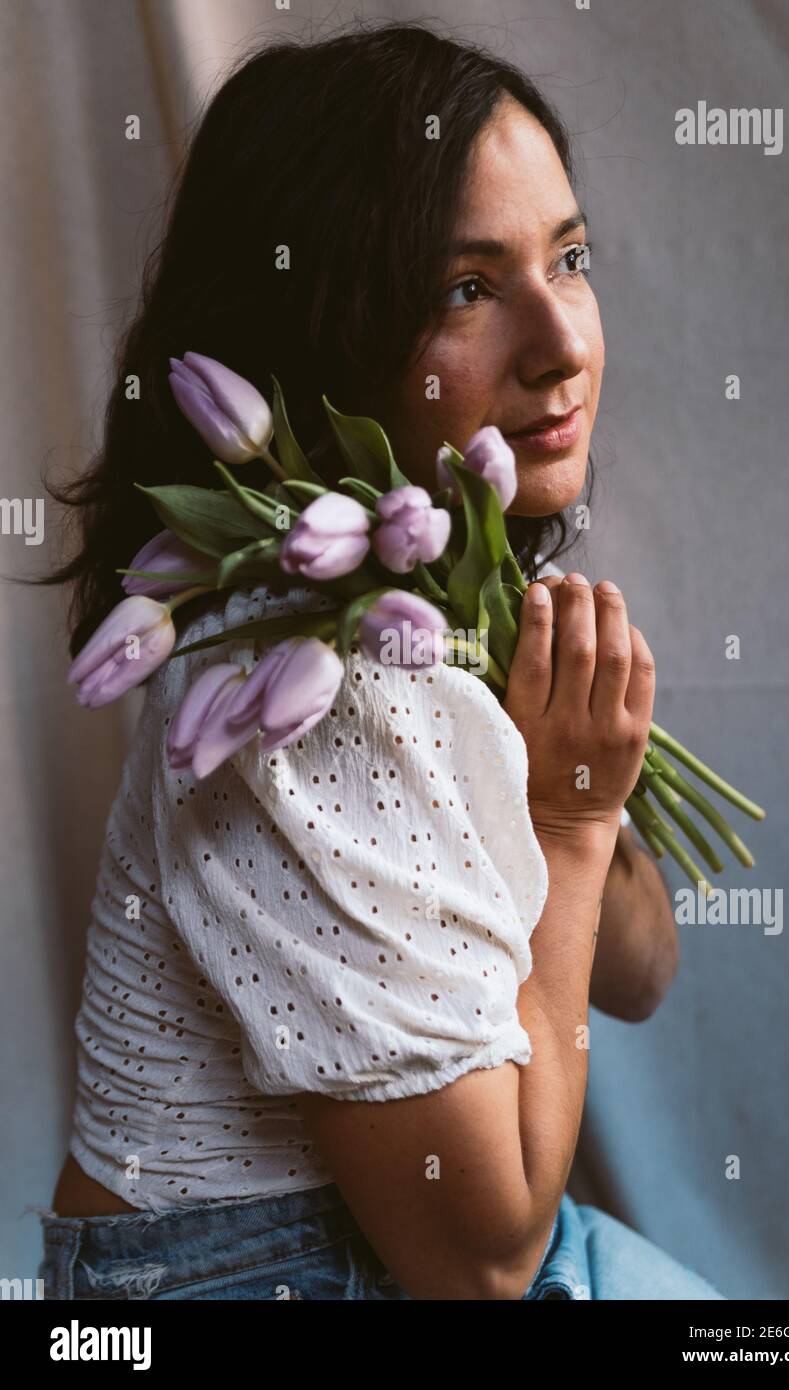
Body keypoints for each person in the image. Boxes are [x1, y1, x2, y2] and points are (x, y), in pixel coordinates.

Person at [34, 21, 724, 1300]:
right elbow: (483, 1261)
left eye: (568, 259)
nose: (560, 341)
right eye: (466, 288)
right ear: (327, 330)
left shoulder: (442, 602)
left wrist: (576, 785)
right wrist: (569, 825)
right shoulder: (319, 685)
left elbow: (638, 969)